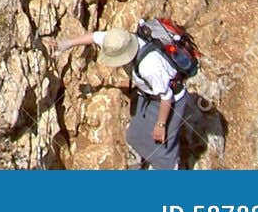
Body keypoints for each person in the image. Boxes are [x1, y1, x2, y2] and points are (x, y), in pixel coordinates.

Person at [55, 27, 190, 169]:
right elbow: (94, 37)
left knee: (162, 145)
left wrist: (161, 125)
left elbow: (166, 97)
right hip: (148, 94)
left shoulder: (149, 67)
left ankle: (168, 167)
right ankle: (146, 161)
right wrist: (67, 44)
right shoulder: (118, 40)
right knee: (134, 135)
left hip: (170, 100)